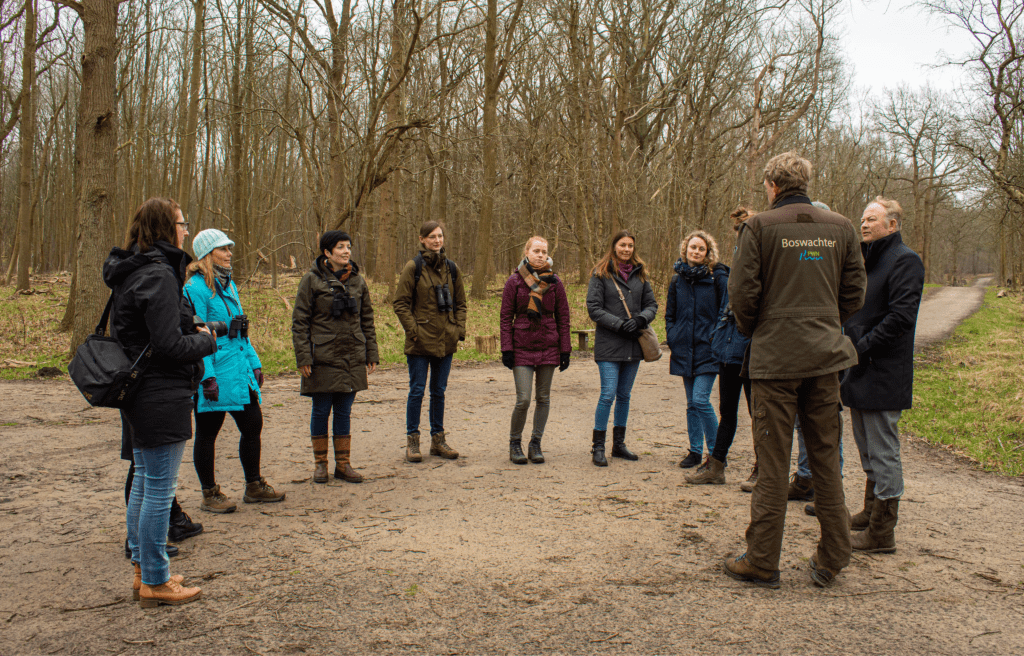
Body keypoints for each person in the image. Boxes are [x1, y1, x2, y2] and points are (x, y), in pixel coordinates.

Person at [723, 151, 866, 589]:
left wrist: (761, 329)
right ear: (805, 183)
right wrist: (825, 323)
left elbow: (741, 292)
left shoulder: (759, 227)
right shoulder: (841, 227)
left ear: (771, 185)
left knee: (772, 462)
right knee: (825, 457)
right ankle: (834, 555)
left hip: (775, 362)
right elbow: (855, 291)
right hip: (825, 359)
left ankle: (762, 559)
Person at [104, 197, 217, 607]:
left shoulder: (134, 270)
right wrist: (207, 339)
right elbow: (170, 344)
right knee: (158, 487)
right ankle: (155, 578)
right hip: (160, 391)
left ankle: (144, 570)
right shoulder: (158, 275)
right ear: (167, 228)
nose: (186, 230)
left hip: (141, 390)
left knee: (145, 481)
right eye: (182, 224)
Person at [840, 197, 924, 553]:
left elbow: (901, 317)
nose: (864, 224)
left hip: (884, 370)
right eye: (862, 218)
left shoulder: (905, 260)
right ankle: (870, 510)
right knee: (866, 447)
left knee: (883, 449)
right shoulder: (866, 261)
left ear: (892, 224)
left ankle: (882, 531)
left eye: (872, 219)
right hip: (858, 368)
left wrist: (862, 346)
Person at [184, 229, 284, 510]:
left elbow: (240, 329)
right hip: (214, 370)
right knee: (208, 431)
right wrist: (207, 377)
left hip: (239, 367)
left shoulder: (229, 285)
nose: (229, 254)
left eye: (229, 248)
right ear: (207, 254)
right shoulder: (194, 288)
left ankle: (254, 486)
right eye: (223, 249)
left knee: (253, 424)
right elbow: (196, 334)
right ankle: (210, 493)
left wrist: (255, 363)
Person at [292, 230, 380, 483]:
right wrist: (304, 357)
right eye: (340, 247)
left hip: (352, 354)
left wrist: (371, 352)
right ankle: (320, 465)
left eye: (348, 246)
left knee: (344, 411)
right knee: (321, 410)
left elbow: (367, 320)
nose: (346, 251)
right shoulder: (311, 280)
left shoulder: (358, 281)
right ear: (327, 252)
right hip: (322, 356)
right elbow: (300, 321)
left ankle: (343, 464)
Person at [687, 209, 753, 485]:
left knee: (758, 414)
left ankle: (763, 468)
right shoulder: (735, 266)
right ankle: (716, 466)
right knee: (727, 412)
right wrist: (718, 336)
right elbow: (727, 308)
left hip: (754, 351)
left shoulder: (762, 266)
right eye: (739, 235)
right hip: (729, 350)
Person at [393, 221, 467, 462]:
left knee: (439, 391)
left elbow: (461, 303)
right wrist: (413, 331)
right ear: (422, 239)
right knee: (417, 391)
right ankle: (412, 441)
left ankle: (438, 440)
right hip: (419, 341)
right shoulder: (413, 267)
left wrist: (458, 329)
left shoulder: (452, 268)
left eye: (440, 236)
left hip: (446, 339)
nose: (437, 240)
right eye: (432, 236)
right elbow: (400, 303)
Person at [585, 230, 658, 467]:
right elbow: (594, 308)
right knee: (608, 394)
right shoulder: (600, 273)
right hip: (608, 345)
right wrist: (619, 324)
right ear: (614, 246)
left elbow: (652, 305)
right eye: (622, 245)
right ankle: (598, 446)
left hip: (633, 344)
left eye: (630, 245)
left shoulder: (640, 274)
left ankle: (619, 444)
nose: (626, 249)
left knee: (624, 395)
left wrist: (640, 319)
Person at [499, 236, 572, 464]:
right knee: (523, 399)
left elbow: (564, 317)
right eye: (536, 251)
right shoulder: (514, 281)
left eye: (544, 252)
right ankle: (515, 443)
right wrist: (507, 348)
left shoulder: (555, 282)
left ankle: (535, 443)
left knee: (543, 398)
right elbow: (505, 317)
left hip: (549, 345)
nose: (540, 255)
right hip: (521, 345)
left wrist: (565, 349)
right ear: (527, 252)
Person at [666, 230, 727, 471]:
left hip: (708, 349)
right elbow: (670, 314)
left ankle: (716, 455)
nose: (696, 252)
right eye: (693, 247)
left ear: (708, 252)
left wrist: (715, 338)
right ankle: (695, 451)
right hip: (683, 348)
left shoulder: (716, 278)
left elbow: (724, 311)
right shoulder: (677, 280)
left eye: (701, 248)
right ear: (686, 249)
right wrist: (673, 335)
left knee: (701, 400)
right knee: (691, 403)